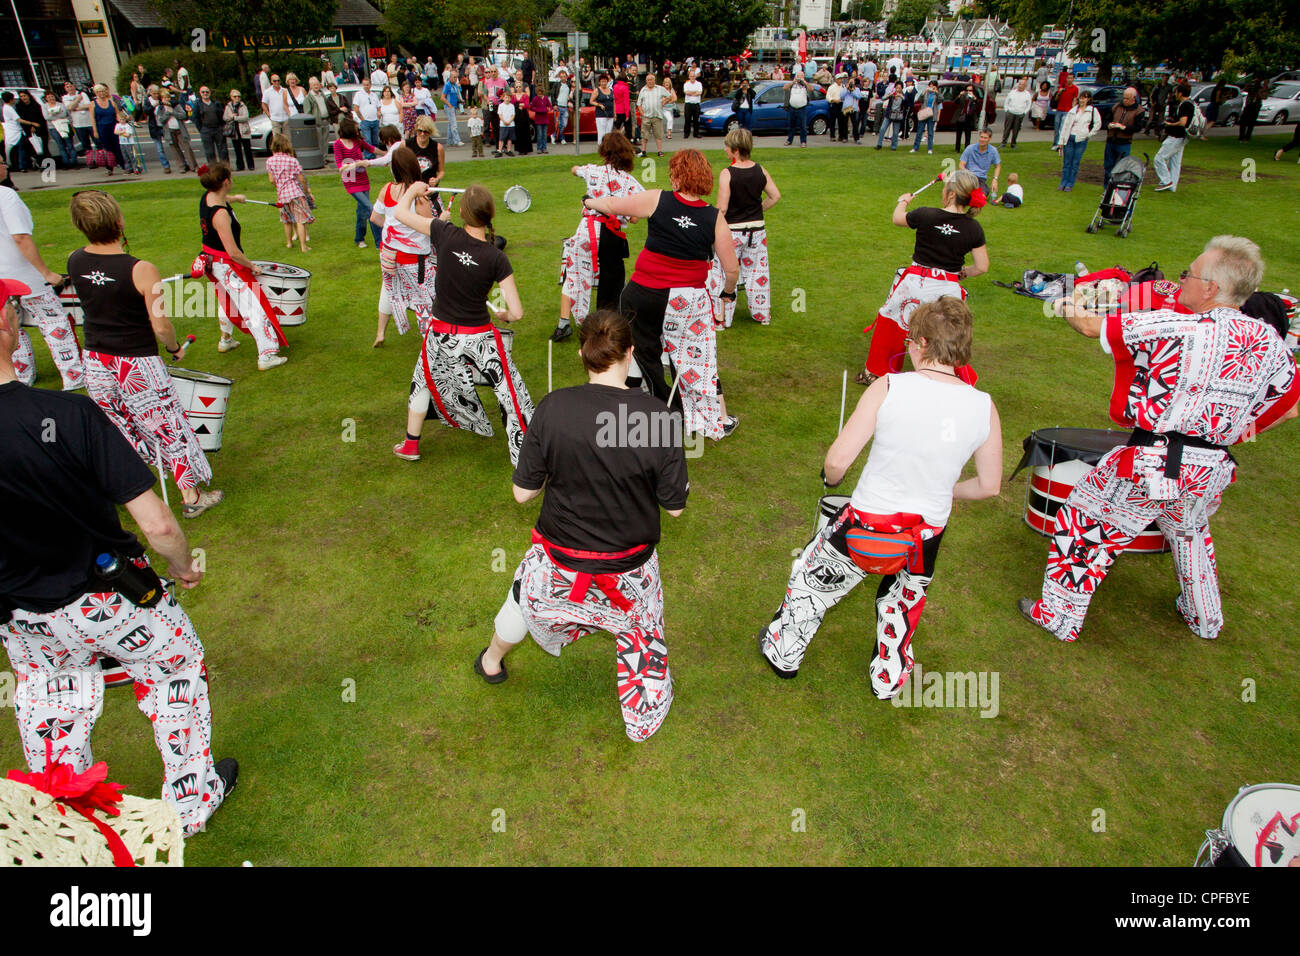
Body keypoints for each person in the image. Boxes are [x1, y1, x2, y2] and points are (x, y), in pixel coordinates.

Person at [0, 281, 238, 837]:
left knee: (50, 699)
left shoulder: (66, 412)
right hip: (108, 595)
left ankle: (64, 812)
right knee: (173, 668)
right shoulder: (66, 414)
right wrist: (181, 567)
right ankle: (190, 802)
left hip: (20, 611)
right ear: (6, 325)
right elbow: (157, 523)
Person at [1021, 236, 1300, 644]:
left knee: (1085, 521)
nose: (1181, 279)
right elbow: (1285, 405)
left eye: (1189, 273)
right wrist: (1235, 432)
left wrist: (1066, 303)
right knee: (1189, 535)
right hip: (1210, 469)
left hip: (1155, 461)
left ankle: (1059, 615)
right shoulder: (1272, 345)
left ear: (1210, 288)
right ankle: (1206, 619)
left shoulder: (1177, 325)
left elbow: (1089, 326)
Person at [759, 298, 1003, 695]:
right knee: (903, 602)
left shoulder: (889, 386)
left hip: (867, 520)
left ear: (922, 343)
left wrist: (831, 476)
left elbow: (838, 462)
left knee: (810, 581)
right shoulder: (983, 406)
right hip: (927, 531)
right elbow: (989, 485)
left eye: (909, 340)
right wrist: (947, 488)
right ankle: (888, 676)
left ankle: (784, 651)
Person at [475, 310, 686, 741]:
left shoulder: (554, 408)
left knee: (523, 595)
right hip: (631, 569)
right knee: (643, 628)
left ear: (582, 353)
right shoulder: (655, 418)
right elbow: (676, 507)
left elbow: (522, 493)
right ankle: (643, 712)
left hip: (560, 562)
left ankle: (492, 659)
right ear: (630, 352)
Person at [66, 189, 222, 517]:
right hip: (136, 363)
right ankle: (191, 497)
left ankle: (131, 491)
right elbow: (161, 325)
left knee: (118, 427)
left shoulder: (74, 260)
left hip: (95, 362)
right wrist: (173, 347)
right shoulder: (141, 269)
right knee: (167, 426)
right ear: (119, 221)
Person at [596, 149, 741, 440]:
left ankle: (664, 413)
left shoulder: (656, 198)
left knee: (646, 355)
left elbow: (612, 204)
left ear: (676, 176)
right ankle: (696, 416)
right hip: (685, 301)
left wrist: (590, 201)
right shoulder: (714, 218)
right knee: (696, 360)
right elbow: (732, 270)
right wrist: (727, 293)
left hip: (644, 295)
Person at [391, 183, 535, 467]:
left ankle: (411, 444)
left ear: (461, 212)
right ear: (490, 214)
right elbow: (516, 312)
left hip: (440, 333)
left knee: (422, 383)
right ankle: (529, 457)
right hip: (480, 336)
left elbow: (399, 213)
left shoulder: (444, 233)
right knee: (511, 392)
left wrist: (414, 190)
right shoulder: (496, 257)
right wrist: (504, 315)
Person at [857, 170, 988, 387]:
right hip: (947, 289)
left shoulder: (926, 214)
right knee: (947, 332)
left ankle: (876, 373)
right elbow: (982, 266)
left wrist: (903, 201)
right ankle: (948, 379)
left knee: (891, 324)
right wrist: (962, 273)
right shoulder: (973, 228)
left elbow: (897, 219)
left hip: (916, 284)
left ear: (952, 194)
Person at [193, 162, 288, 369]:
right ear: (226, 181)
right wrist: (252, 266)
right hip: (226, 266)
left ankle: (226, 340)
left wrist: (235, 199)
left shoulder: (208, 197)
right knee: (253, 306)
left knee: (227, 300)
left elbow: (221, 199)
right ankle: (267, 355)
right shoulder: (221, 215)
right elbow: (233, 252)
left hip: (213, 263)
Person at [554, 131, 643, 342]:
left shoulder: (592, 171)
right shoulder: (630, 181)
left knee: (575, 276)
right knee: (611, 283)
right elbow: (634, 218)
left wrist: (583, 174)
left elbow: (574, 169)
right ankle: (605, 327)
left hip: (587, 231)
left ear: (604, 152)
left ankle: (568, 323)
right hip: (612, 235)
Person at [0, 183, 85, 390]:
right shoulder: (6, 195)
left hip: (4, 277)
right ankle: (73, 376)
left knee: (10, 325)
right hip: (23, 274)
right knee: (53, 321)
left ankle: (21, 376)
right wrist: (45, 273)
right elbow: (20, 237)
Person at [708, 128, 780, 328]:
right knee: (758, 273)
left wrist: (709, 225)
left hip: (732, 232)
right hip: (757, 231)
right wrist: (759, 210)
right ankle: (761, 315)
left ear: (736, 150)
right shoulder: (760, 170)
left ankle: (722, 320)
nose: (725, 149)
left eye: (727, 146)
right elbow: (775, 196)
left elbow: (722, 208)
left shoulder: (727, 173)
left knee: (724, 273)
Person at [333, 116, 381, 248]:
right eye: (355, 128)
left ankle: (359, 238)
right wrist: (355, 164)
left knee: (362, 212)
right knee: (371, 209)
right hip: (351, 182)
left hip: (363, 180)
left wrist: (387, 154)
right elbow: (340, 167)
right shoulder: (338, 144)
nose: (358, 130)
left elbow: (371, 149)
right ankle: (379, 242)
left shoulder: (357, 141)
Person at [266, 135, 314, 253]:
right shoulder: (292, 160)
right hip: (295, 192)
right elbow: (301, 179)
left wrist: (280, 185)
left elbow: (271, 180)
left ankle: (289, 243)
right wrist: (306, 191)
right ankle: (304, 246)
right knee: (300, 220)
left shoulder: (270, 161)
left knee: (286, 220)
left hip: (282, 195)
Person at [1053, 90, 1101, 192]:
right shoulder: (1073, 110)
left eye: (1085, 98)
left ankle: (1070, 184)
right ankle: (1063, 183)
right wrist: (1061, 141)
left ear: (1089, 99)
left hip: (1081, 140)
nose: (1082, 100)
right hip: (1069, 138)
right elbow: (1065, 126)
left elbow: (1098, 124)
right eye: (1081, 97)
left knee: (1075, 163)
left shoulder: (1092, 110)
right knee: (1067, 163)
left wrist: (1089, 135)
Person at [1154, 83, 1193, 192]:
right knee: (1175, 162)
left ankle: (1166, 181)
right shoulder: (1191, 103)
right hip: (1183, 137)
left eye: (1176, 92)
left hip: (1176, 136)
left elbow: (1183, 122)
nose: (1175, 94)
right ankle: (1172, 186)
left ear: (1180, 93)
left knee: (1159, 158)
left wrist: (1170, 124)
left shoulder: (1185, 105)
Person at [1103, 87, 1144, 186]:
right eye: (1124, 98)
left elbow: (1138, 127)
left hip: (1124, 142)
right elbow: (1105, 120)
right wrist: (1108, 125)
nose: (1124, 100)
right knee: (1108, 165)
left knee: (1121, 167)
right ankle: (1106, 188)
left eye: (1127, 98)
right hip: (1111, 140)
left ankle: (1117, 188)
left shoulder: (1139, 110)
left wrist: (1124, 127)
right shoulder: (1116, 106)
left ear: (1133, 98)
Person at [157, 89, 197, 173]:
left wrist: (173, 112)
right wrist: (168, 113)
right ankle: (182, 166)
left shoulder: (176, 105)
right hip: (169, 131)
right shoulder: (160, 108)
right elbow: (160, 121)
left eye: (167, 97)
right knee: (175, 150)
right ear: (161, 99)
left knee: (186, 147)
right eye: (164, 98)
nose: (166, 99)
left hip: (179, 129)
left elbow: (183, 115)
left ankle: (193, 166)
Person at [960, 128, 1001, 197]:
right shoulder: (970, 148)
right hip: (968, 176)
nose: (982, 139)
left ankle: (981, 191)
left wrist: (995, 179)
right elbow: (961, 165)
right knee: (964, 194)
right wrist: (968, 173)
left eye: (985, 138)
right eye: (981, 137)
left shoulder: (993, 151)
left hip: (980, 179)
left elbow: (998, 166)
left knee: (982, 196)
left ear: (989, 139)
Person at [193, 85, 227, 165]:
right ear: (200, 93)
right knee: (209, 152)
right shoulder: (198, 105)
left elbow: (221, 115)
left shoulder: (216, 103)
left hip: (218, 129)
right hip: (206, 130)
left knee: (223, 150)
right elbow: (196, 118)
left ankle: (225, 167)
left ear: (210, 93)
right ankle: (213, 168)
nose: (205, 93)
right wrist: (201, 129)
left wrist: (222, 127)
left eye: (207, 92)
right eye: (203, 92)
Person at [636, 73, 668, 157]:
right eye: (648, 80)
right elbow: (639, 103)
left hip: (657, 116)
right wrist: (642, 114)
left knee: (658, 135)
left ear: (654, 80)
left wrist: (664, 102)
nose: (650, 81)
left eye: (651, 79)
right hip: (646, 116)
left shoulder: (660, 89)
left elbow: (670, 96)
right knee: (644, 135)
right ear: (646, 81)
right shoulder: (643, 90)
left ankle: (660, 151)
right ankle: (643, 151)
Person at [41, 91, 76, 168]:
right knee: (60, 145)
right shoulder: (44, 106)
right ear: (46, 98)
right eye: (48, 97)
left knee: (69, 144)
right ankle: (66, 162)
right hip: (53, 127)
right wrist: (58, 116)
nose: (51, 98)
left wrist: (53, 115)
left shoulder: (61, 104)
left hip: (64, 126)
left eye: (52, 96)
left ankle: (73, 162)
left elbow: (64, 114)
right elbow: (47, 117)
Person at [225, 89, 254, 172]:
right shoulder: (228, 107)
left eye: (238, 96)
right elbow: (225, 117)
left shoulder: (243, 106)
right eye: (235, 96)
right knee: (237, 150)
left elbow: (246, 117)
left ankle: (250, 165)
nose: (237, 98)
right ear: (231, 97)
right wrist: (230, 117)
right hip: (234, 131)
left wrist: (235, 117)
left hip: (244, 130)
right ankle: (240, 166)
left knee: (247, 149)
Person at [63, 81, 94, 154]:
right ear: (65, 89)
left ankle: (102, 159)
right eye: (67, 87)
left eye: (71, 86)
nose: (70, 88)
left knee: (97, 142)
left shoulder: (82, 94)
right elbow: (69, 107)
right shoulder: (65, 97)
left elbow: (88, 105)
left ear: (74, 86)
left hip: (89, 122)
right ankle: (91, 160)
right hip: (78, 124)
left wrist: (76, 108)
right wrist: (78, 99)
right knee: (85, 144)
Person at [260, 74, 295, 139]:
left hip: (286, 118)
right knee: (277, 139)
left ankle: (287, 149)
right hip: (275, 118)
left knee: (288, 138)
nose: (277, 82)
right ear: (271, 81)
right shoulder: (267, 92)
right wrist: (269, 114)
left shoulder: (285, 90)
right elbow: (263, 104)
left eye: (278, 80)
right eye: (275, 81)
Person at [1001, 76, 1031, 148]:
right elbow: (1007, 101)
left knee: (1016, 129)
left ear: (1025, 86)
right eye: (1019, 84)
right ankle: (1003, 142)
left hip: (1020, 114)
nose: (1020, 86)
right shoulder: (1012, 92)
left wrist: (1024, 112)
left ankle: (1013, 143)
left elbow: (1028, 104)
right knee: (1007, 128)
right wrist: (1006, 110)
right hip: (1010, 112)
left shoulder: (1027, 94)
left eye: (1022, 84)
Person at [910, 79, 939, 153]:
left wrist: (937, 92)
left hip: (932, 114)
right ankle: (915, 147)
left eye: (933, 85)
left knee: (930, 132)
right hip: (924, 112)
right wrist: (924, 92)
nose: (931, 87)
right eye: (930, 85)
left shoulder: (936, 94)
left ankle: (930, 148)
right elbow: (920, 99)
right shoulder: (926, 93)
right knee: (919, 131)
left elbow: (941, 99)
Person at [351, 77, 381, 147]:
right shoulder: (358, 94)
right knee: (367, 142)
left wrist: (378, 116)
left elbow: (378, 107)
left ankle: (375, 157)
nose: (366, 86)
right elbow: (356, 108)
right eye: (364, 85)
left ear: (370, 85)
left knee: (375, 141)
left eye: (367, 85)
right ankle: (368, 157)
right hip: (365, 122)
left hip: (375, 121)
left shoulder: (374, 95)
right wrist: (362, 119)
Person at [784, 73, 811, 147]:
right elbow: (785, 88)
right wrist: (793, 81)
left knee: (803, 126)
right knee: (791, 125)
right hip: (792, 108)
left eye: (801, 76)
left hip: (802, 108)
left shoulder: (805, 85)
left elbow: (811, 89)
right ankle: (789, 140)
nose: (799, 78)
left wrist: (804, 82)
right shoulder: (792, 84)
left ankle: (803, 141)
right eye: (798, 76)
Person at [952, 84, 978, 152]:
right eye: (967, 90)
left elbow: (976, 105)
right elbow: (955, 102)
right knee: (958, 134)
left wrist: (974, 99)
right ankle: (957, 149)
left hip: (968, 117)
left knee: (968, 134)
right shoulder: (963, 96)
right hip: (960, 116)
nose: (968, 91)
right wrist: (959, 95)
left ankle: (967, 149)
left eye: (970, 90)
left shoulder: (973, 98)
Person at [529, 84, 552, 154]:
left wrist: (548, 109)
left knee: (544, 135)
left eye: (541, 94)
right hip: (538, 119)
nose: (540, 95)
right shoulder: (535, 99)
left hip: (545, 119)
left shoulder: (546, 98)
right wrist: (538, 110)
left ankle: (544, 148)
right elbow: (531, 107)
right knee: (539, 134)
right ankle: (539, 148)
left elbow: (550, 106)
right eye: (538, 94)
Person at [683, 68, 703, 138]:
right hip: (688, 104)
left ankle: (696, 133)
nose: (692, 77)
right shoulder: (686, 84)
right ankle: (686, 133)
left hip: (696, 104)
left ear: (695, 76)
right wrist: (694, 92)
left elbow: (699, 93)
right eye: (691, 76)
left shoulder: (699, 84)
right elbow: (686, 92)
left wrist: (691, 92)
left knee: (696, 119)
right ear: (689, 76)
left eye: (693, 76)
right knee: (687, 119)